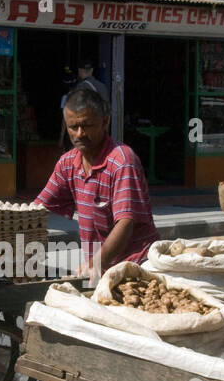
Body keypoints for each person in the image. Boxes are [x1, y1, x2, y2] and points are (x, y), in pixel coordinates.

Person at [36, 86, 160, 282]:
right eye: (72, 127)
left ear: (105, 121)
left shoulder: (122, 161)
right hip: (98, 269)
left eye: (87, 125)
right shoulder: (67, 163)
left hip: (135, 267)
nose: (79, 134)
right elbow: (38, 209)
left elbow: (125, 222)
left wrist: (95, 264)